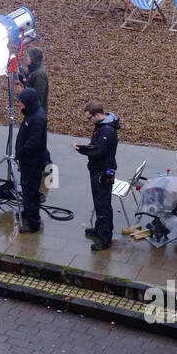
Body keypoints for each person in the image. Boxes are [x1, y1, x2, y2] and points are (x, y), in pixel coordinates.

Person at [75, 101, 119, 250]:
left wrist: (82, 150)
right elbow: (97, 147)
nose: (89, 122)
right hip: (99, 169)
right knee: (99, 202)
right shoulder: (102, 126)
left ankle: (105, 238)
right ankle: (100, 229)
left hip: (103, 171)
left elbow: (100, 152)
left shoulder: (107, 130)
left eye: (89, 118)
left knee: (103, 205)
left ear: (97, 115)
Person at [14, 87, 48, 232]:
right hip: (29, 161)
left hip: (32, 162)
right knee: (27, 188)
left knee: (30, 191)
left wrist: (21, 152)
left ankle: (33, 223)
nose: (20, 105)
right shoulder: (33, 113)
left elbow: (33, 142)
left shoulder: (37, 118)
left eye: (21, 102)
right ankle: (28, 211)